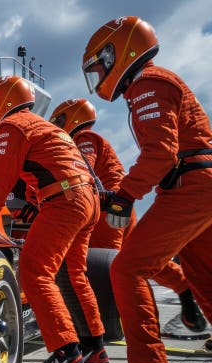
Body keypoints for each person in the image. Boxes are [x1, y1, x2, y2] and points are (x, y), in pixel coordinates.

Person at [83, 16, 212, 363]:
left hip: (189, 187)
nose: (100, 75)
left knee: (126, 268)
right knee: (202, 275)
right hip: (198, 185)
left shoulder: (147, 84)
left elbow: (160, 152)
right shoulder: (153, 83)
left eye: (100, 66)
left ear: (117, 52)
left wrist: (125, 195)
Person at [0, 75, 105, 363]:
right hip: (87, 199)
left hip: (64, 199)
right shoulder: (38, 125)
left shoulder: (12, 127)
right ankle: (95, 344)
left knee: (35, 271)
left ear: (4, 101)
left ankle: (66, 351)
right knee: (74, 275)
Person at [50, 98, 206, 333]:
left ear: (69, 118)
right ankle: (183, 287)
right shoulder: (93, 140)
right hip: (120, 209)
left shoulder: (84, 140)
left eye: (58, 121)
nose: (55, 126)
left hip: (107, 211)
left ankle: (113, 326)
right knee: (135, 261)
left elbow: (80, 170)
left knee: (103, 266)